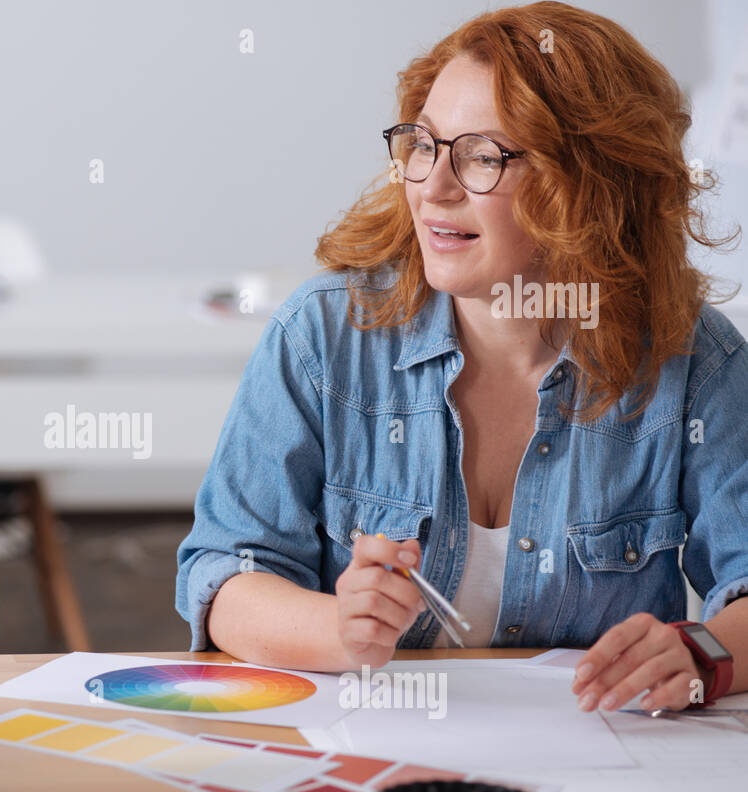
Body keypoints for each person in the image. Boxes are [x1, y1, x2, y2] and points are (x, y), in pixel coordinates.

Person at [174, 1, 747, 713]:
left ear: (589, 187)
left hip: (600, 780)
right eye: (424, 144)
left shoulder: (694, 361)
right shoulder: (322, 335)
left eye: (481, 156)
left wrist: (703, 654)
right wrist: (338, 627)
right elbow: (223, 574)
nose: (433, 187)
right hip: (367, 767)